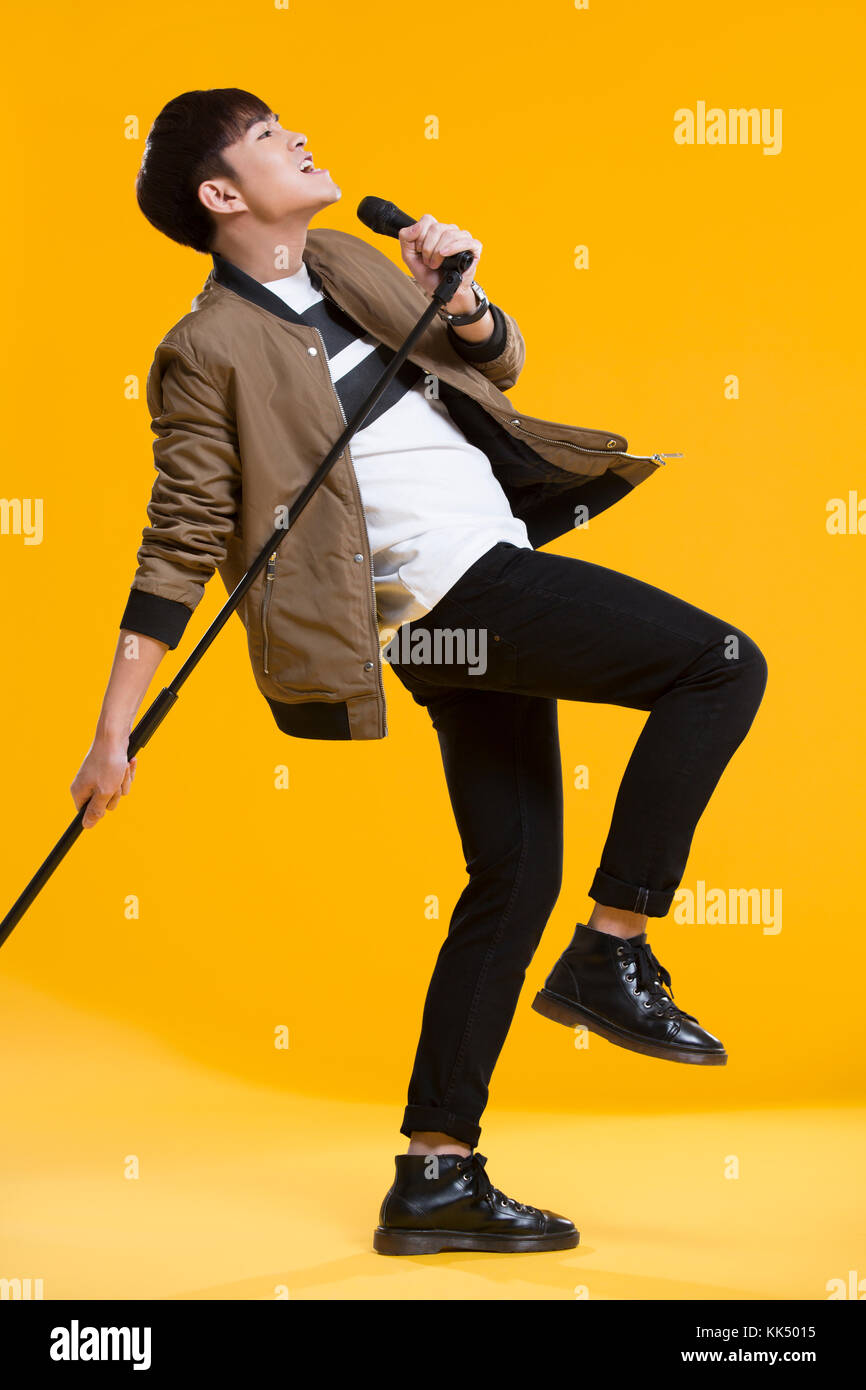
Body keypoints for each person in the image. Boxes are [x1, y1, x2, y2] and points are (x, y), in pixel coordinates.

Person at [71, 87, 768, 1257]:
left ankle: (434, 1175)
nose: (296, 138)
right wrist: (113, 730)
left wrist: (467, 293)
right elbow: (180, 535)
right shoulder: (206, 350)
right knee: (719, 664)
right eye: (263, 137)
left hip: (470, 591)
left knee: (509, 875)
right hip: (447, 589)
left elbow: (486, 367)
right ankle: (613, 949)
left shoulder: (345, 257)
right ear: (220, 194)